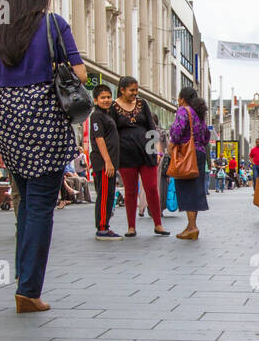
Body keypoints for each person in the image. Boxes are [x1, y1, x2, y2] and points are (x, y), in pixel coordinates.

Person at [0, 0, 89, 312]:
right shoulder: (52, 24)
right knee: (41, 206)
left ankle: (23, 278)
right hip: (44, 115)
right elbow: (81, 74)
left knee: (26, 202)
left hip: (9, 117)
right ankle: (28, 290)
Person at [110, 76, 166, 237]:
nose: (135, 93)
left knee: (151, 188)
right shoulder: (114, 107)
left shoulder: (142, 104)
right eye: (132, 90)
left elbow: (151, 127)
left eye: (136, 90)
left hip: (146, 151)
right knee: (130, 190)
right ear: (122, 90)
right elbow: (113, 132)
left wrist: (155, 149)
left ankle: (158, 224)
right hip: (126, 154)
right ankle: (131, 227)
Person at [170, 85, 210, 240]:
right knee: (196, 188)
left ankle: (192, 227)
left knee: (187, 189)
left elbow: (178, 130)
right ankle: (190, 226)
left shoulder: (183, 110)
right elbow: (206, 136)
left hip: (187, 154)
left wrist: (172, 145)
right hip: (199, 153)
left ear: (182, 99)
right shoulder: (199, 114)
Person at [87, 84, 122, 240]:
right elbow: (99, 139)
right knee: (104, 195)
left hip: (111, 163)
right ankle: (102, 227)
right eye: (103, 97)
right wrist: (107, 161)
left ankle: (105, 225)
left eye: (108, 97)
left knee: (109, 195)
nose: (106, 100)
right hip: (103, 163)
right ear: (95, 100)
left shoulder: (108, 115)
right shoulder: (97, 116)